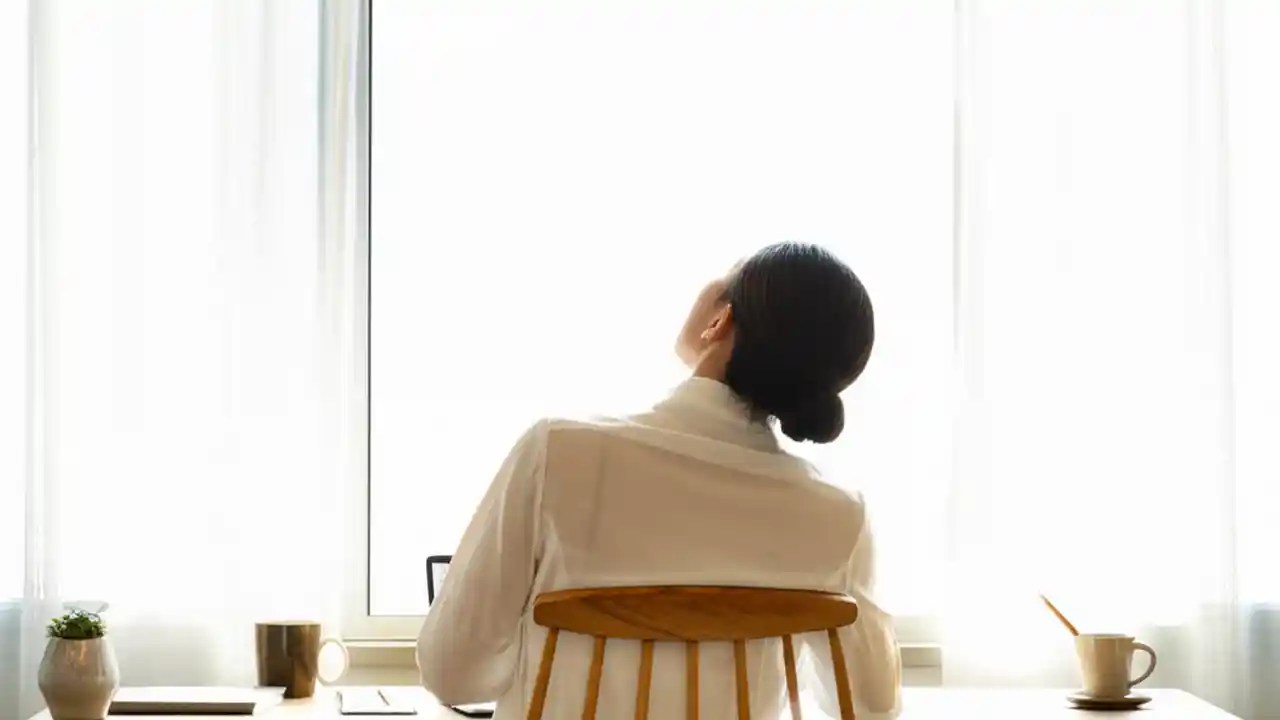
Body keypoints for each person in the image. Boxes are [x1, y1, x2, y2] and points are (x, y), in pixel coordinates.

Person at [417, 242, 901, 719]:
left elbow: (452, 673)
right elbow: (872, 706)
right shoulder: (838, 515)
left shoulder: (559, 454)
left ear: (720, 320)